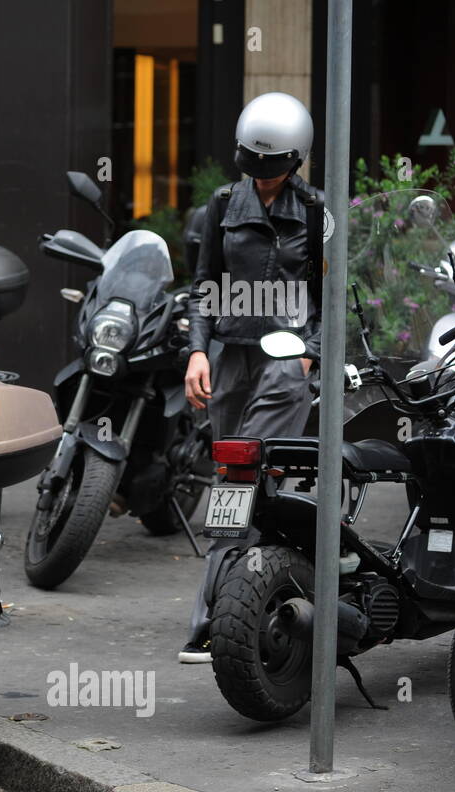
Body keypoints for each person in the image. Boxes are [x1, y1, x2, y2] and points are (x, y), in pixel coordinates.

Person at [179, 91, 324, 664]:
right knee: (235, 484)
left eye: (275, 169)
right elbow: (201, 286)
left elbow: (330, 295)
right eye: (254, 168)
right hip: (230, 361)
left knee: (249, 489)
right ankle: (243, 608)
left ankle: (219, 621)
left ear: (296, 160)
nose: (263, 181)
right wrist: (197, 351)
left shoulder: (315, 211)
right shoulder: (219, 207)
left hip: (285, 361)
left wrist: (307, 354)